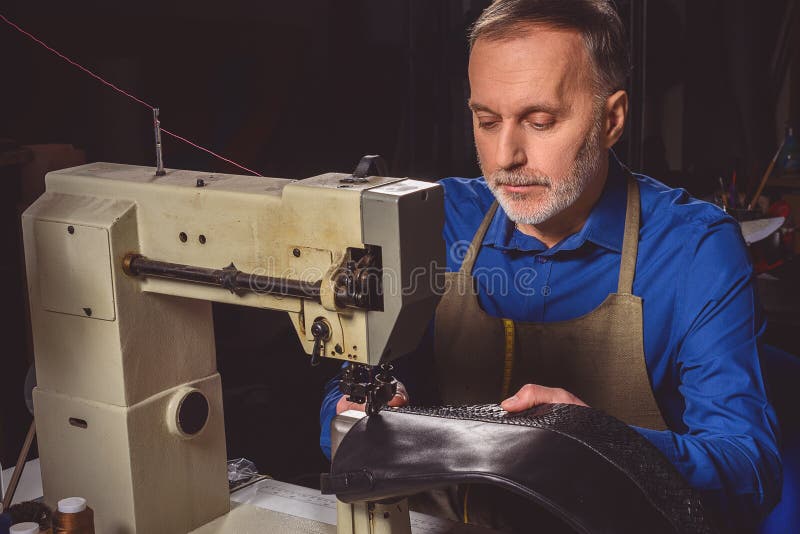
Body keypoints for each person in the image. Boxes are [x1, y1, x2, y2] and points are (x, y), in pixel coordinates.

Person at [321, 0, 783, 530]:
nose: (505, 156)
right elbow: (348, 389)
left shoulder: (694, 249)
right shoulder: (437, 221)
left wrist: (593, 439)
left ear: (611, 119)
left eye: (539, 122)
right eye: (486, 121)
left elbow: (751, 472)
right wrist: (359, 415)